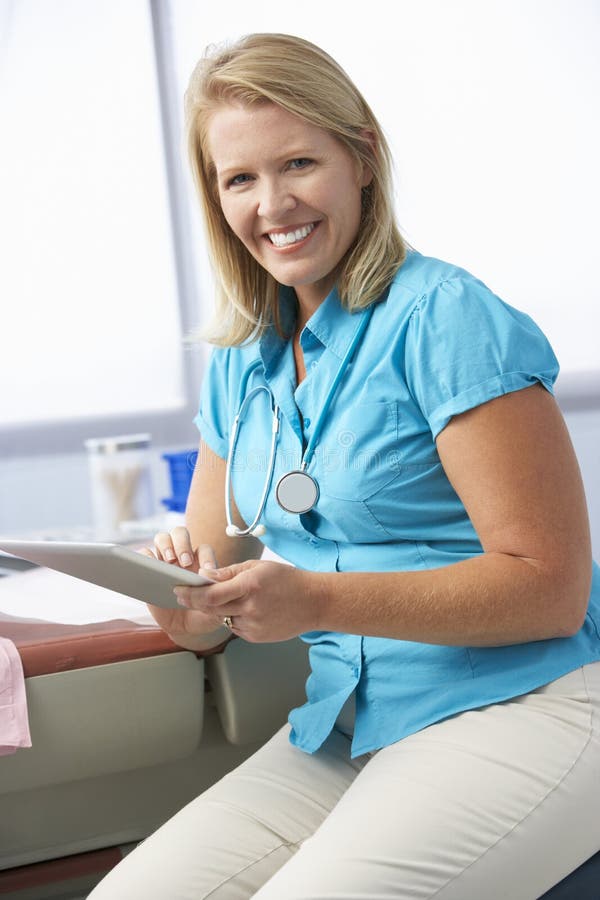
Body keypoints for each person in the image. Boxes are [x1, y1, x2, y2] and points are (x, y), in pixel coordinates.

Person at [89, 32, 600, 900]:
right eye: (239, 178)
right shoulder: (241, 360)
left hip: (526, 707)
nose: (273, 203)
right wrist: (173, 587)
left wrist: (316, 599)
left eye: (298, 163)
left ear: (362, 156)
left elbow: (551, 589)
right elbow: (200, 624)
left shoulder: (446, 318)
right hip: (346, 726)